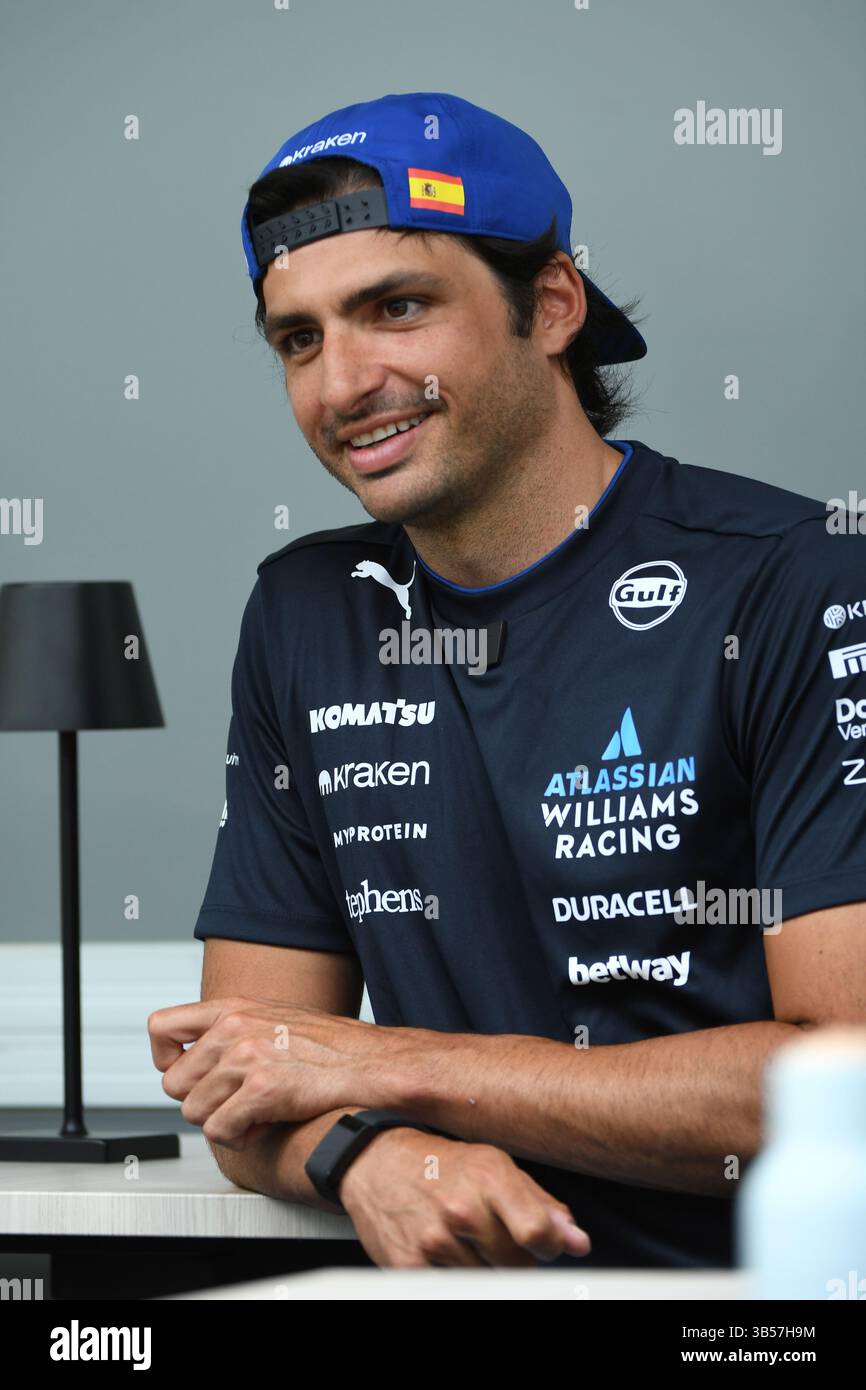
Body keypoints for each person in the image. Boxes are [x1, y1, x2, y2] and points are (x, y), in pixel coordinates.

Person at [148, 91, 866, 1269]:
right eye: (300, 338)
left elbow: (843, 1081)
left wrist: (385, 1067)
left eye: (397, 307)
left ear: (550, 305)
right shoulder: (305, 610)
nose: (341, 385)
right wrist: (366, 1154)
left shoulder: (796, 582)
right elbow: (249, 1074)